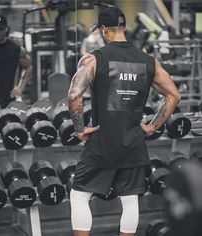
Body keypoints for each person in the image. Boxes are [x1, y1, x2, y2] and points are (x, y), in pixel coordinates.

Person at [68, 6, 180, 236]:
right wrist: (152, 126)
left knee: (79, 195)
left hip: (102, 142)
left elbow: (73, 96)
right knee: (130, 201)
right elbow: (173, 95)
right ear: (124, 28)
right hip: (133, 143)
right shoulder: (148, 60)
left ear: (103, 30)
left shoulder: (93, 59)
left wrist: (80, 128)